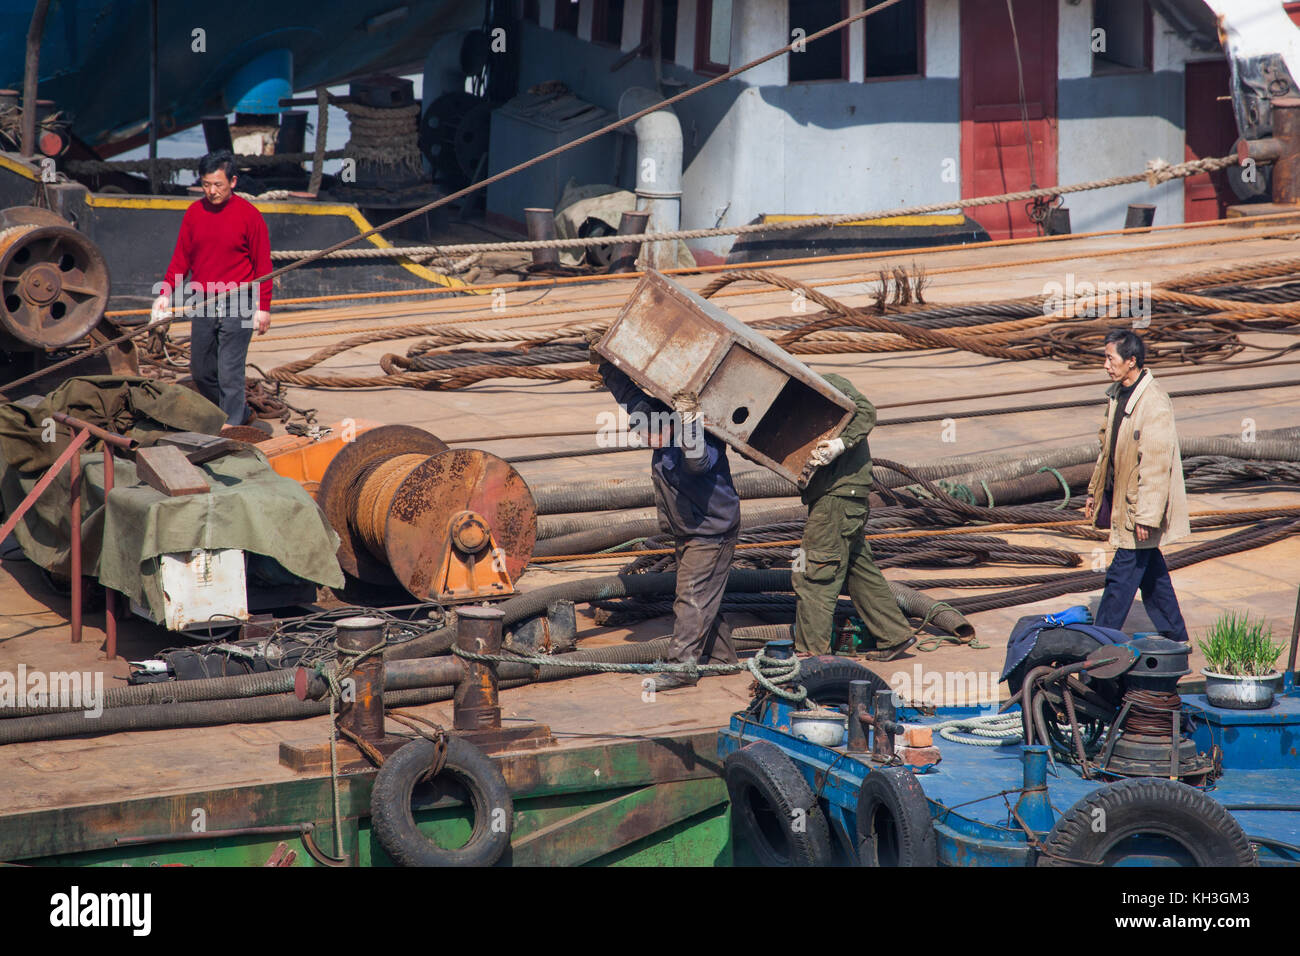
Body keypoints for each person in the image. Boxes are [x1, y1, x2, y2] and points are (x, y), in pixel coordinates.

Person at [589, 336, 741, 690]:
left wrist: (690, 419)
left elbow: (697, 463)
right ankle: (722, 660)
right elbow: (629, 398)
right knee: (703, 596)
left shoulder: (700, 436)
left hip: (711, 532)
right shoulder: (658, 422)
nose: (645, 439)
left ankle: (681, 668)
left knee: (690, 597)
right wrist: (606, 366)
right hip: (690, 530)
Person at [793, 373, 916, 661]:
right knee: (858, 570)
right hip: (840, 497)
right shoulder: (791, 404)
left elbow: (865, 411)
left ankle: (812, 654)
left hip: (837, 498)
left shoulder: (821, 382)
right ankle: (894, 633)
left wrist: (840, 444)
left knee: (815, 573)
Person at [1084, 329, 1191, 641]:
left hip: (1138, 509)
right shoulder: (1119, 394)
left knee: (1120, 579)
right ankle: (1176, 636)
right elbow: (1108, 452)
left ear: (1132, 361)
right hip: (1124, 501)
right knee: (1153, 578)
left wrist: (1147, 516)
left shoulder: (1154, 403)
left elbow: (1156, 465)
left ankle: (1099, 642)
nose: (1105, 365)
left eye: (1110, 358)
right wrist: (1094, 493)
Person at [153, 150, 272, 427]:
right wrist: (166, 293)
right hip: (203, 300)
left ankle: (230, 428)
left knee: (230, 370)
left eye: (218, 184)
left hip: (239, 299)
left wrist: (263, 308)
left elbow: (264, 266)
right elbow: (181, 258)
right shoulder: (194, 213)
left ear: (233, 181)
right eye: (206, 184)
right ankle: (230, 412)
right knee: (201, 369)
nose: (212, 191)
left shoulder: (250, 216)